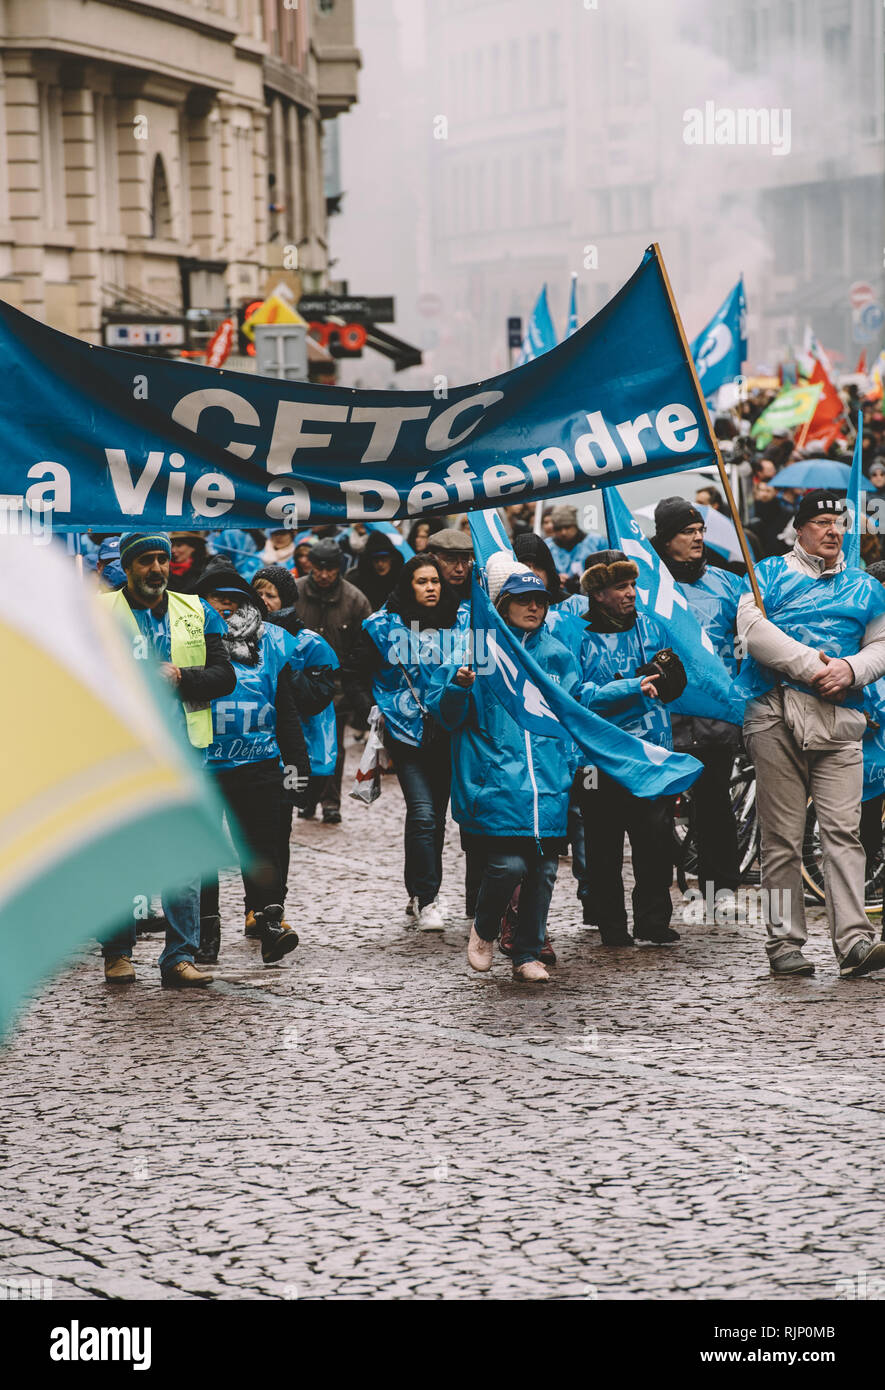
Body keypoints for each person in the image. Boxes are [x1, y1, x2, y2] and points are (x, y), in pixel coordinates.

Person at [736, 490, 885, 978]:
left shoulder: (865, 586)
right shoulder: (767, 574)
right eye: (821, 522)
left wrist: (848, 669)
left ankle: (856, 942)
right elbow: (753, 632)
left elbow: (881, 643)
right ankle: (784, 943)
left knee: (844, 831)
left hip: (840, 718)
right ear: (798, 529)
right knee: (781, 838)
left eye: (838, 522)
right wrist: (813, 667)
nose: (832, 530)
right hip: (776, 712)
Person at [427, 566, 580, 982]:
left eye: (541, 601)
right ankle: (484, 927)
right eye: (523, 600)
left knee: (544, 871)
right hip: (496, 786)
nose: (534, 607)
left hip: (547, 786)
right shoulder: (474, 650)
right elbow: (445, 715)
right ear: (501, 606)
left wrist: (635, 689)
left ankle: (527, 952)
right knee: (508, 866)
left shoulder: (557, 654)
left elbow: (578, 707)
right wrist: (458, 686)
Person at [98, 532, 235, 987]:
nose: (157, 568)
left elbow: (223, 677)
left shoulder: (197, 610)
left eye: (163, 559)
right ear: (128, 566)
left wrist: (181, 676)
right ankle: (117, 952)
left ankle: (179, 956)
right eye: (146, 561)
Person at [343, 555, 467, 930]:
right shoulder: (382, 626)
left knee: (435, 820)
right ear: (406, 585)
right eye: (421, 581)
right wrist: (371, 711)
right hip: (404, 732)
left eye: (435, 581)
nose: (431, 587)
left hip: (447, 732)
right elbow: (354, 673)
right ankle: (429, 900)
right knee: (424, 813)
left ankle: (418, 891)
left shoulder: (461, 622)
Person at [194, 567, 309, 966]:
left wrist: (298, 765)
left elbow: (287, 708)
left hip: (259, 764)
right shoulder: (185, 641)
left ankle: (270, 926)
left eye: (232, 598)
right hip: (202, 766)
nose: (224, 605)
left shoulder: (273, 643)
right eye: (215, 597)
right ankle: (204, 934)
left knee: (263, 850)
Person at [576, 550, 683, 947]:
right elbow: (578, 696)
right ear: (598, 593)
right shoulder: (577, 635)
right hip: (600, 756)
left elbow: (674, 684)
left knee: (655, 840)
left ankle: (653, 920)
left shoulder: (653, 627)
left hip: (652, 752)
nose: (631, 593)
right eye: (621, 586)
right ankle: (612, 925)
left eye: (633, 584)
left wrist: (669, 674)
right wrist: (628, 684)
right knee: (603, 848)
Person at [652, 498, 744, 907]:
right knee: (655, 812)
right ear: (666, 539)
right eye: (688, 532)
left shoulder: (729, 584)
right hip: (661, 718)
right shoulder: (647, 585)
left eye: (700, 530)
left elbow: (749, 641)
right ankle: (654, 896)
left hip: (714, 716)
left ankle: (719, 889)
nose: (698, 538)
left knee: (713, 804)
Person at [252, 564, 339, 887]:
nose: (262, 600)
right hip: (254, 749)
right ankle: (255, 904)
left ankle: (274, 901)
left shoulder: (310, 645)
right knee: (254, 830)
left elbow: (316, 698)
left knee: (279, 828)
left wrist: (285, 664)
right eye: (257, 593)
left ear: (286, 600)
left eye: (269, 594)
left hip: (293, 752)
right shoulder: (244, 639)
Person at [292, 537, 371, 824]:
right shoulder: (296, 593)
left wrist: (354, 685)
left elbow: (366, 648)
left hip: (336, 688)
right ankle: (307, 798)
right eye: (319, 568)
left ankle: (330, 802)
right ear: (310, 566)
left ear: (339, 568)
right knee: (300, 746)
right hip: (297, 685)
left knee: (332, 749)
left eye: (330, 569)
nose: (324, 575)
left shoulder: (355, 600)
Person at [546, 504, 607, 584]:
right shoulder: (547, 546)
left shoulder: (597, 542)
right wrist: (555, 578)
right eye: (558, 528)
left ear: (575, 526)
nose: (563, 532)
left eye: (567, 527)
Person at [350, 530, 405, 612]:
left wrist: (415, 625)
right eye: (376, 559)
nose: (380, 564)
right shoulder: (356, 581)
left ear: (392, 558)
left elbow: (414, 614)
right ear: (369, 561)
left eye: (384, 558)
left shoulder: (403, 580)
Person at [425, 528, 474, 606]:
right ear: (432, 559)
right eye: (451, 560)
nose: (460, 569)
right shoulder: (424, 596)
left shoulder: (478, 596)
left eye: (465, 561)